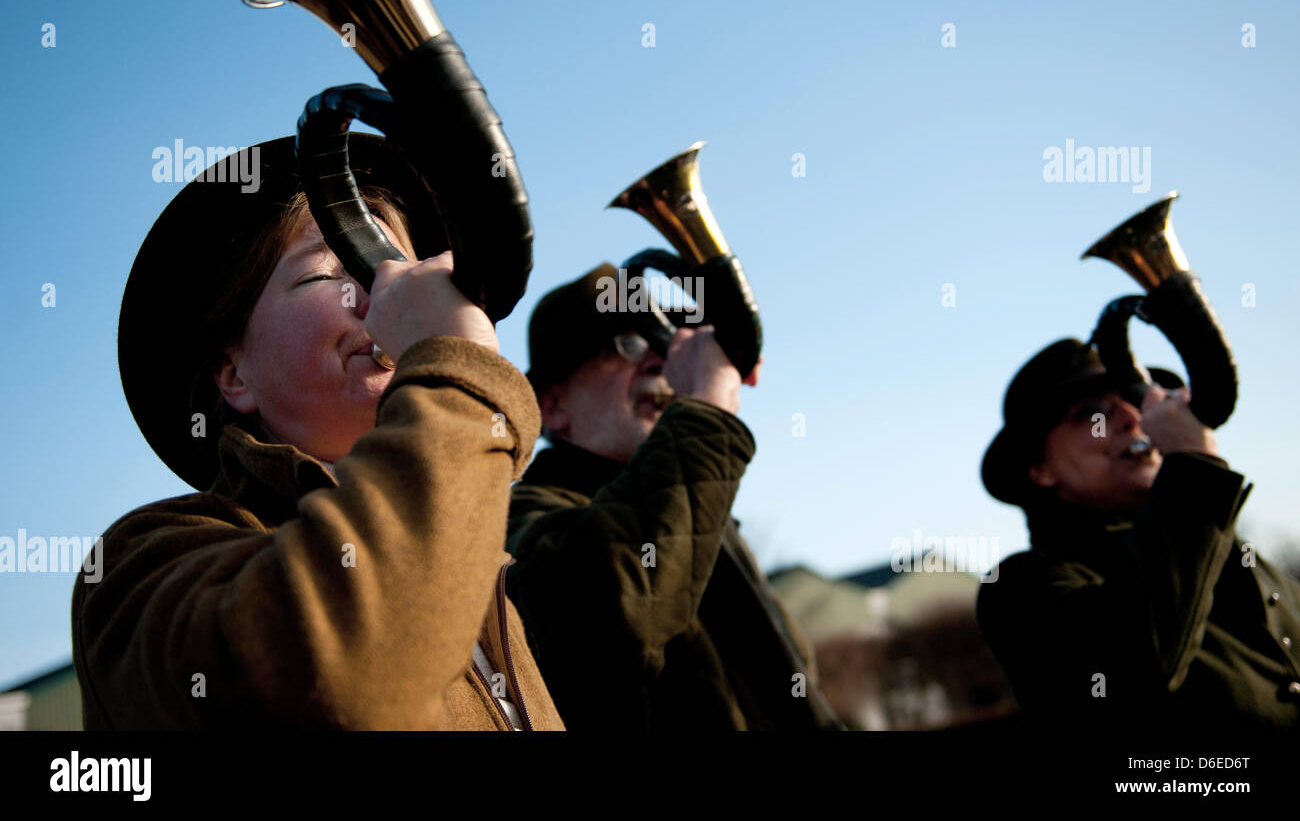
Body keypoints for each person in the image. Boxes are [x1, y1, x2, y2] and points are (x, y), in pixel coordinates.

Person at [71, 134, 564, 730]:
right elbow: (347, 685)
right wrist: (460, 373)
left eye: (396, 271)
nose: (381, 298)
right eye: (324, 274)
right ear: (234, 376)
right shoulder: (144, 558)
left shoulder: (486, 575)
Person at [503, 263, 842, 730]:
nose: (659, 362)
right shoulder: (520, 521)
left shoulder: (698, 507)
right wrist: (706, 409)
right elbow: (610, 619)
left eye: (663, 340)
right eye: (628, 344)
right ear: (553, 406)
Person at [977, 338, 1300, 730]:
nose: (1134, 417)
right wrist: (1194, 471)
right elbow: (1135, 673)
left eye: (1136, 400)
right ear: (1039, 469)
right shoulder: (1020, 587)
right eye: (1092, 413)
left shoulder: (1228, 549)